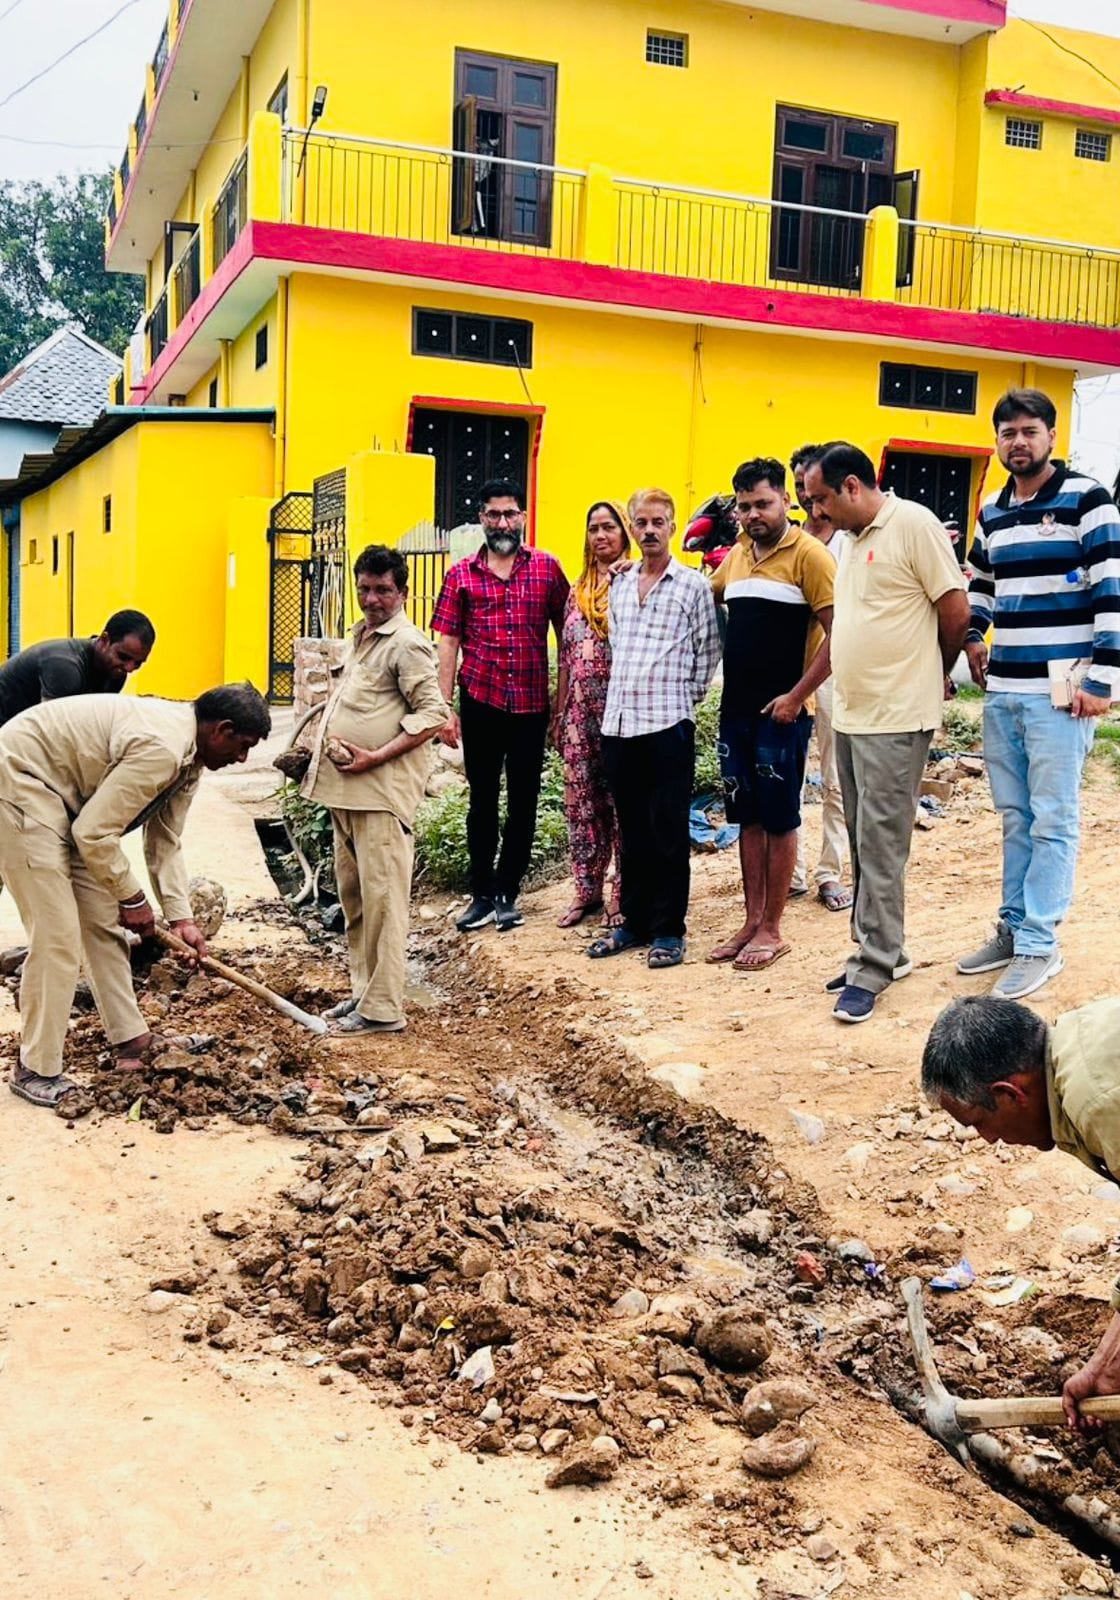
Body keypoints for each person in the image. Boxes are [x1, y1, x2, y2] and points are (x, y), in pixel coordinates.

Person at [0, 682, 271, 1109]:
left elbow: (165, 843)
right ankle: (35, 1067)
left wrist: (182, 920)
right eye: (243, 746)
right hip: (21, 788)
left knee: (102, 926)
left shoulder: (190, 761)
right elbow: (94, 833)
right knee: (58, 938)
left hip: (72, 808)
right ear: (222, 728)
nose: (242, 759)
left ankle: (132, 1040)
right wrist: (133, 898)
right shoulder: (162, 748)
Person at [959, 389, 1120, 1001]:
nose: (1017, 442)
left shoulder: (1089, 499)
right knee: (1015, 817)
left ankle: (1040, 943)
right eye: (1007, 433)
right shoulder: (994, 508)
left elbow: (1113, 591)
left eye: (1029, 431)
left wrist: (1103, 679)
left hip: (1062, 694)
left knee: (1054, 818)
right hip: (1004, 689)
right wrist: (973, 634)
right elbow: (982, 581)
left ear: (1052, 436)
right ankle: (1014, 924)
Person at [802, 443, 970, 1023]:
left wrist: (936, 671)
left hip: (898, 715)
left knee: (882, 842)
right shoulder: (849, 542)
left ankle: (875, 963)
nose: (817, 513)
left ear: (851, 487)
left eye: (821, 499)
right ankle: (878, 950)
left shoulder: (913, 524)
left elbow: (955, 609)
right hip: (852, 713)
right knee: (861, 833)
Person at [923, 993, 1120, 1429]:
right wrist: (1107, 1363)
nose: (989, 1140)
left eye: (977, 1123)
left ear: (1010, 1093)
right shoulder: (1077, 1044)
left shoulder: (1100, 1103)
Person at [301, 546, 448, 1034]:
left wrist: (374, 757)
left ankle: (383, 1009)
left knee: (384, 902)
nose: (372, 599)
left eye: (383, 589)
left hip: (379, 795)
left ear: (402, 593)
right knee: (355, 899)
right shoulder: (360, 639)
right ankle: (363, 992)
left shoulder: (406, 643)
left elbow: (434, 713)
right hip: (343, 793)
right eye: (365, 589)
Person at [707, 458, 835, 972]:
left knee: (780, 820)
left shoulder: (811, 556)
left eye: (763, 503)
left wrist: (796, 695)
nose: (753, 514)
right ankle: (750, 919)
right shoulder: (737, 556)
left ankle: (774, 928)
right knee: (747, 818)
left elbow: (839, 633)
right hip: (735, 709)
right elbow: (701, 594)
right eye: (744, 506)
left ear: (787, 501)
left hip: (783, 715)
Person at [589, 487, 720, 969]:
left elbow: (708, 652)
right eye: (640, 522)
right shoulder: (619, 584)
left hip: (667, 723)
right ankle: (634, 922)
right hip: (620, 725)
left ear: (672, 525)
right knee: (633, 832)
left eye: (658, 522)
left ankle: (669, 930)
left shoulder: (692, 586)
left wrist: (684, 699)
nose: (648, 531)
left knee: (667, 831)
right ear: (632, 526)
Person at [432, 479, 569, 933]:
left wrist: (563, 701)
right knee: (482, 801)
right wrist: (443, 706)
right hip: (481, 700)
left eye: (510, 513)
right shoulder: (461, 575)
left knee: (525, 801)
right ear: (481, 519)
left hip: (531, 704)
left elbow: (567, 635)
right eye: (494, 515)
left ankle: (509, 892)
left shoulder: (547, 569)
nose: (503, 522)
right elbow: (448, 640)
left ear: (524, 517)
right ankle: (482, 894)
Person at [553, 501, 631, 929]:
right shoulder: (576, 589)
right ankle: (587, 890)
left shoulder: (635, 581)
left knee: (622, 802)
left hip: (623, 713)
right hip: (581, 715)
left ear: (624, 534)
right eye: (593, 529)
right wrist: (560, 710)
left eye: (609, 527)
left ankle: (622, 892)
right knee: (583, 803)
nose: (601, 536)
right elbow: (567, 658)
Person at [789, 444, 851, 914]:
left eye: (813, 490)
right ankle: (789, 871)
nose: (809, 501)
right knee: (785, 777)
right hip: (790, 676)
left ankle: (830, 873)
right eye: (798, 491)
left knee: (834, 779)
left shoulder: (853, 540)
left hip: (838, 676)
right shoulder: (786, 542)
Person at [0, 609, 155, 725]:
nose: (129, 668)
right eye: (123, 657)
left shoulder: (115, 674)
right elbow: (51, 729)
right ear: (104, 640)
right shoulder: (64, 664)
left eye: (138, 663)